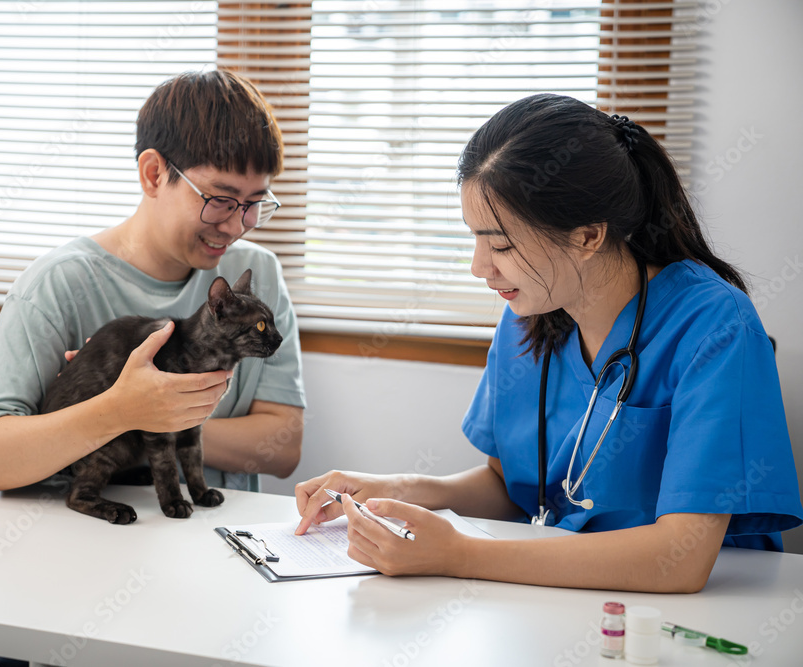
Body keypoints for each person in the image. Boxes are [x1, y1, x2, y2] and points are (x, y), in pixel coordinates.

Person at [295, 93, 802, 593]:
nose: (479, 268)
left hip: (692, 618)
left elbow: (681, 559)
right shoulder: (529, 313)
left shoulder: (714, 326)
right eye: (474, 239)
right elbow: (511, 488)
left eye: (501, 244)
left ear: (587, 236)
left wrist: (460, 553)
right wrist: (399, 490)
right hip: (554, 595)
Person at [0, 69, 306, 499]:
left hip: (218, 541)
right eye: (220, 199)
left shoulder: (256, 276)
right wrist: (115, 409)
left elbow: (283, 446)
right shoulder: (58, 285)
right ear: (154, 173)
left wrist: (156, 412)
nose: (237, 225)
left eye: (254, 204)